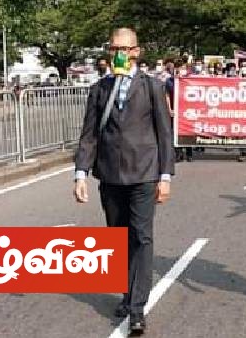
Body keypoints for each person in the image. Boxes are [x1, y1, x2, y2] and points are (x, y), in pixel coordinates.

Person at [73, 28, 174, 335]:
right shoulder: (99, 89)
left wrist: (165, 176)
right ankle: (127, 293)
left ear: (136, 52)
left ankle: (137, 307)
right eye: (114, 47)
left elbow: (164, 134)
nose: (119, 52)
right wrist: (80, 174)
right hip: (111, 175)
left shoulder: (153, 87)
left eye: (125, 48)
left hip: (144, 173)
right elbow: (89, 134)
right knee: (117, 238)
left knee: (141, 237)